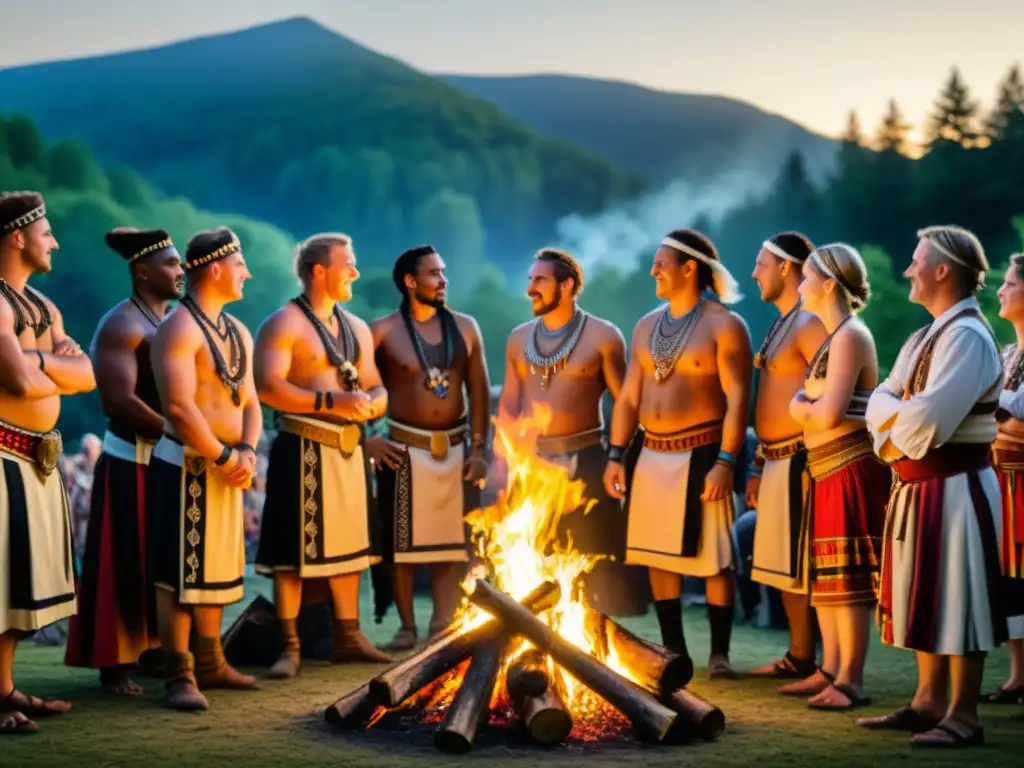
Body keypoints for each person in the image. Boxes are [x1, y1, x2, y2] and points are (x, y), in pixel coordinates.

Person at [860, 225, 1006, 748]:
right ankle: (927, 704)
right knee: (928, 594)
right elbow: (880, 399)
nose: (907, 270)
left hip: (959, 489)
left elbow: (929, 422)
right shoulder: (928, 334)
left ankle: (963, 717)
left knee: (960, 595)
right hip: (923, 486)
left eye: (916, 261)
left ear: (942, 270)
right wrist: (897, 418)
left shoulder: (967, 336)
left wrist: (895, 420)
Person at [604, 228, 752, 678]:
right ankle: (673, 651)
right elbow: (629, 398)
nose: (653, 271)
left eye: (661, 263)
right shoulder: (647, 326)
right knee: (657, 555)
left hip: (704, 454)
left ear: (690, 268)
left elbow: (739, 399)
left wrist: (727, 462)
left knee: (713, 558)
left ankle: (720, 655)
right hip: (650, 453)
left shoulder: (725, 325)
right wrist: (615, 455)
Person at [254, 233, 394, 676]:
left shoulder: (357, 328)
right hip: (301, 446)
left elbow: (375, 383)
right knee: (292, 554)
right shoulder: (284, 323)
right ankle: (290, 647)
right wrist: (332, 405)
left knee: (352, 548)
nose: (354, 271)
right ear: (320, 270)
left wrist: (375, 403)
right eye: (347, 264)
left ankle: (348, 637)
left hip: (349, 451)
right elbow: (267, 386)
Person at [64, 227, 184, 696]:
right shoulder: (120, 325)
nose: (181, 271)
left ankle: (159, 648)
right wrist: (183, 433)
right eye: (171, 264)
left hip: (168, 460)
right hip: (129, 461)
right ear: (142, 271)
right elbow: (118, 401)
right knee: (123, 560)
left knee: (161, 560)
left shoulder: (172, 322)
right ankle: (113, 664)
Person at [146, 227, 261, 712]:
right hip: (186, 465)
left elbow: (251, 399)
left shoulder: (237, 331)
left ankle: (211, 662)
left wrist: (248, 451)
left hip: (228, 465)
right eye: (239, 265)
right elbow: (179, 405)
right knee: (178, 573)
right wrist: (222, 456)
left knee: (216, 567)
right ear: (214, 269)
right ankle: (180, 673)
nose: (246, 273)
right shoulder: (178, 328)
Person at [498, 247, 648, 616]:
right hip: (534, 466)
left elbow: (625, 404)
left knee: (592, 561)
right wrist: (504, 463)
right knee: (534, 558)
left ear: (566, 286)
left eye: (540, 280)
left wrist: (618, 458)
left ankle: (593, 644)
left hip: (589, 462)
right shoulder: (519, 339)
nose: (530, 288)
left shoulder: (603, 337)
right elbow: (509, 407)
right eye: (530, 279)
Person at [0, 191, 96, 735]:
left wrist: (35, 361)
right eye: (46, 231)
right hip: (1, 454)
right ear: (18, 235)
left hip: (36, 457)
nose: (54, 241)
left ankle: (4, 687)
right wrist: (46, 361)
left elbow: (86, 375)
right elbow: (17, 381)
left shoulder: (44, 307)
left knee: (17, 590)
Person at [368, 244, 490, 650]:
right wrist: (369, 436)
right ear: (410, 281)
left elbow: (479, 391)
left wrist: (479, 448)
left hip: (456, 449)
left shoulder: (467, 327)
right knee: (400, 546)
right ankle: (406, 626)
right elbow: (356, 385)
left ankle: (442, 622)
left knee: (452, 542)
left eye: (444, 271)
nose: (444, 280)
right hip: (401, 449)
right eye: (435, 273)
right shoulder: (381, 331)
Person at [788, 242, 889, 709]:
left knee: (847, 576)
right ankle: (830, 667)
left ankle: (851, 679)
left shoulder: (851, 336)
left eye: (806, 277)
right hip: (826, 468)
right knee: (826, 575)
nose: (800, 285)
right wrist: (809, 409)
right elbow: (824, 410)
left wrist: (800, 407)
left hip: (849, 466)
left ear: (829, 284)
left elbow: (826, 415)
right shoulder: (833, 337)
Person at [746, 231, 828, 682]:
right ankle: (799, 656)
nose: (754, 272)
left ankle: (822, 662)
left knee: (803, 568)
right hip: (774, 457)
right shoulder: (782, 322)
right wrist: (758, 464)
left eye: (761, 263)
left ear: (785, 267)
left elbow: (833, 388)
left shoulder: (810, 322)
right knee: (783, 567)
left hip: (802, 456)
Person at [983, 252, 1024, 703]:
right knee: (1009, 579)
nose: (1001, 289)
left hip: (1022, 479)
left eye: (1010, 282)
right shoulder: (1007, 353)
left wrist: (1002, 405)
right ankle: (1018, 674)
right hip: (1002, 476)